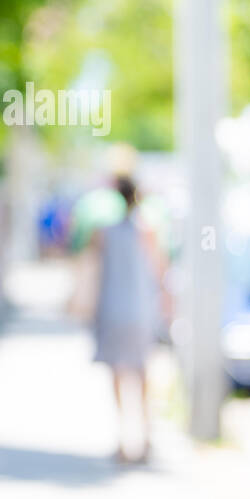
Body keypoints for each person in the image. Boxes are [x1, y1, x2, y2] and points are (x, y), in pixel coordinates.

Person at [90, 176, 165, 463]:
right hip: (141, 309)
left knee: (118, 375)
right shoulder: (147, 230)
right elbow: (159, 269)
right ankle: (145, 439)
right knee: (142, 372)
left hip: (112, 308)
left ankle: (123, 439)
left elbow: (92, 267)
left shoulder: (103, 232)